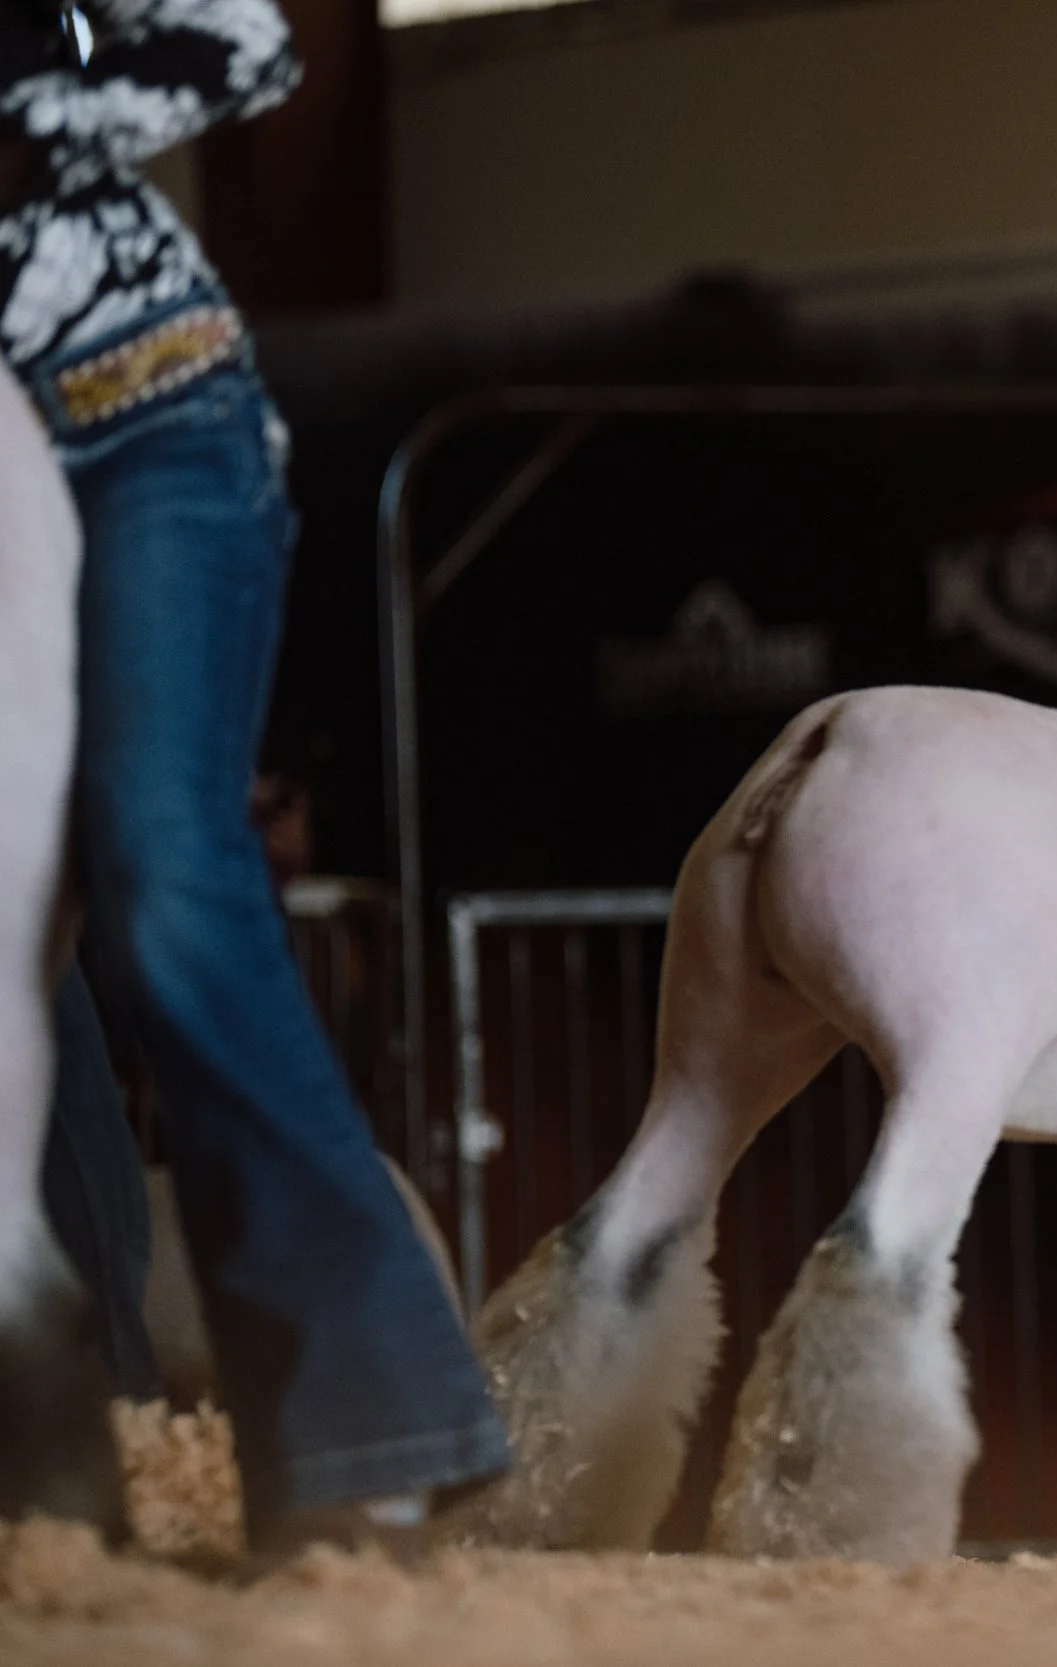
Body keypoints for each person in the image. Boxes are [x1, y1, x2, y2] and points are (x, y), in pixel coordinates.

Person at [3, 0, 506, 1555]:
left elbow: (244, 39)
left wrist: (28, 119)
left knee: (160, 871)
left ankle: (382, 1422)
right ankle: (52, 1429)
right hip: (10, 454)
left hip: (153, 422)